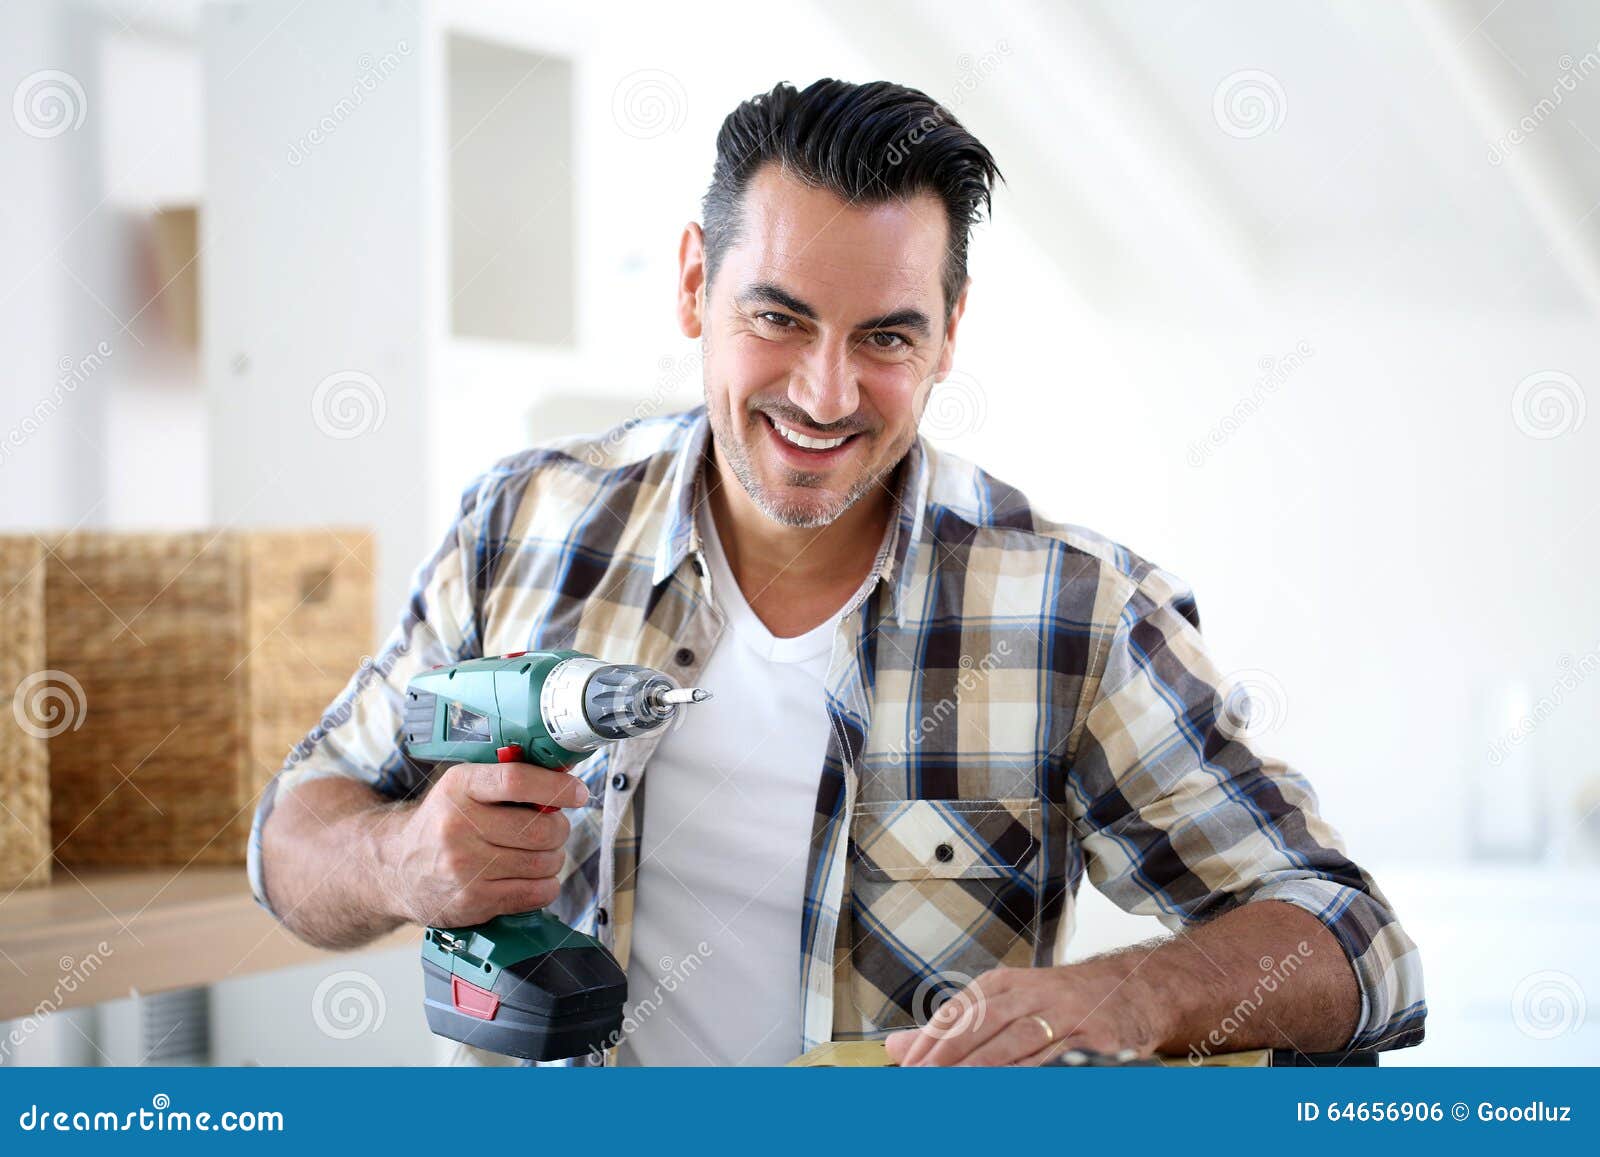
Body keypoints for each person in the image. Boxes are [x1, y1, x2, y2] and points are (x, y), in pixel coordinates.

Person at [249, 78, 1425, 1067]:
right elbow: (289, 842)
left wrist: (1130, 995)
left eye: (887, 337)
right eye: (779, 316)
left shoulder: (1074, 615)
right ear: (694, 284)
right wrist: (401, 859)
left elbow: (1359, 941)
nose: (824, 394)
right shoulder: (524, 526)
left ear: (950, 333)